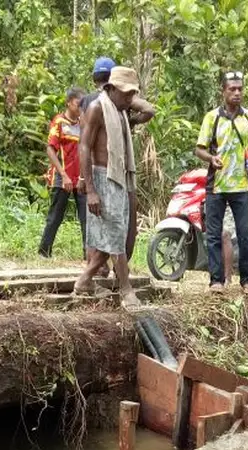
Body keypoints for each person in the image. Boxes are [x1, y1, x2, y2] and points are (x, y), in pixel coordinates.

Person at [75, 66, 146, 309]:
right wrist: (91, 189)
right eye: (126, 94)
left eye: (132, 94)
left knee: (115, 233)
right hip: (103, 176)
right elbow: (84, 147)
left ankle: (85, 280)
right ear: (111, 88)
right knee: (115, 233)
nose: (129, 99)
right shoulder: (97, 108)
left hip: (119, 177)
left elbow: (148, 110)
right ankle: (126, 289)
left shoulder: (120, 111)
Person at [196, 70, 248, 295]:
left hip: (242, 185)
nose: (236, 93)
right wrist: (211, 159)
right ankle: (217, 281)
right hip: (217, 185)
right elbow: (199, 149)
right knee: (213, 234)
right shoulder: (212, 118)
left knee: (245, 235)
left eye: (240, 89)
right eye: (232, 89)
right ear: (223, 91)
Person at [38, 87, 87, 259]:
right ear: (68, 102)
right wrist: (63, 175)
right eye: (77, 104)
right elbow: (50, 150)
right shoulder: (58, 122)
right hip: (62, 175)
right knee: (56, 215)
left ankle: (87, 255)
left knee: (86, 218)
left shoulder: (83, 123)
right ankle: (44, 252)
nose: (80, 107)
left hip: (81, 177)